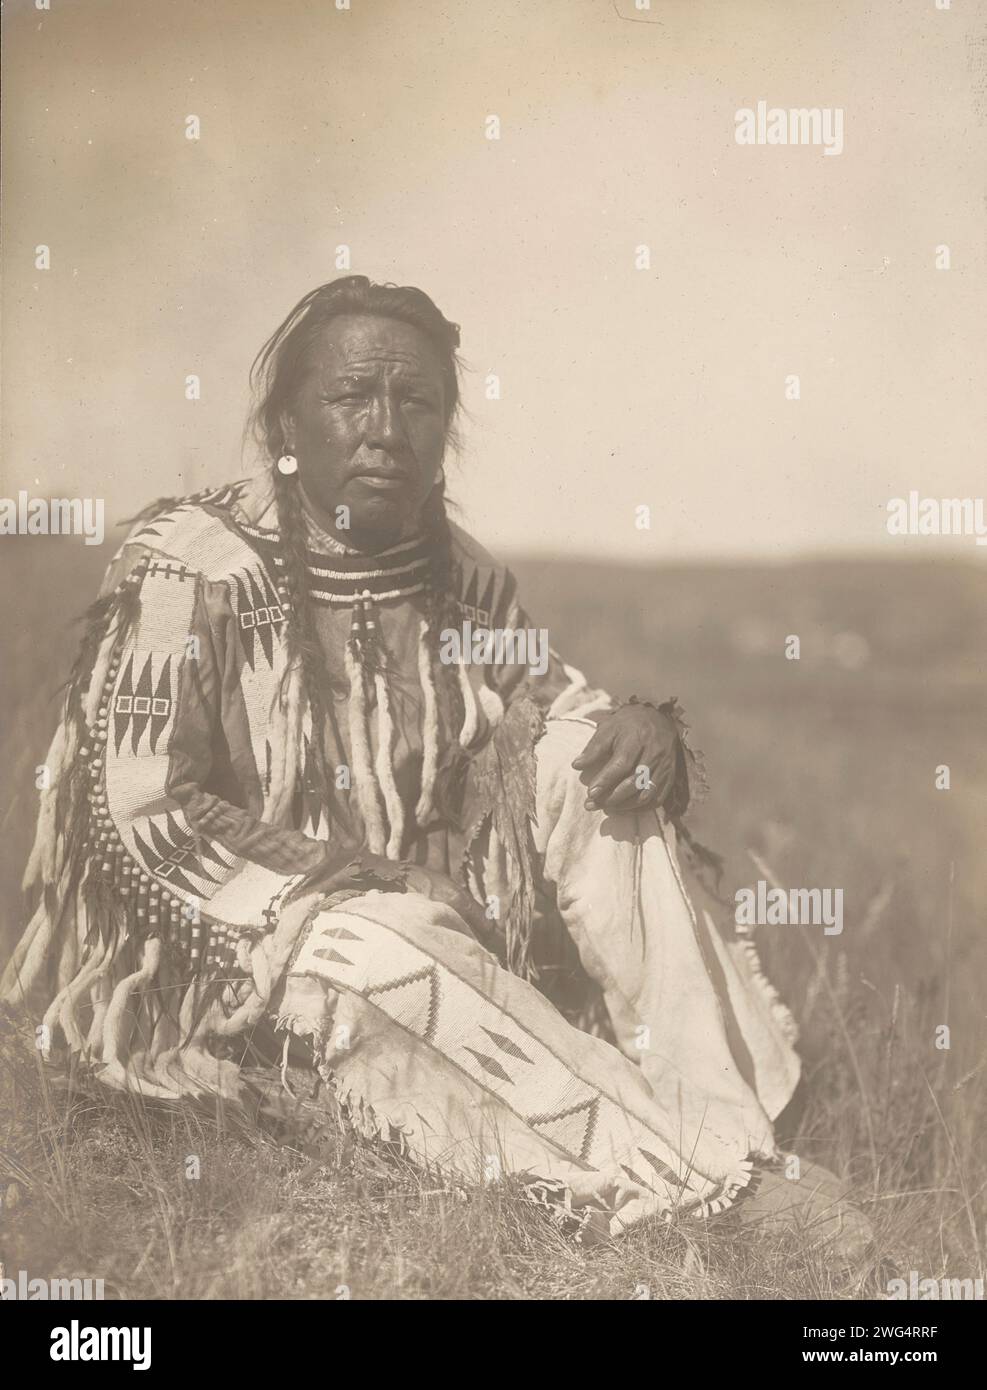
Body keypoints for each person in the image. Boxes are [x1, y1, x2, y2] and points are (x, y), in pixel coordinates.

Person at [1, 276, 866, 1249]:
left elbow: (539, 707)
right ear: (287, 417)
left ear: (446, 425)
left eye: (416, 402)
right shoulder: (186, 567)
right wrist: (364, 884)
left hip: (434, 925)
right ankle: (695, 1194)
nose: (385, 429)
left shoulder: (454, 571)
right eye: (351, 397)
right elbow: (137, 816)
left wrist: (639, 730)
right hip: (237, 960)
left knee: (598, 768)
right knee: (381, 939)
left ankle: (727, 1127)